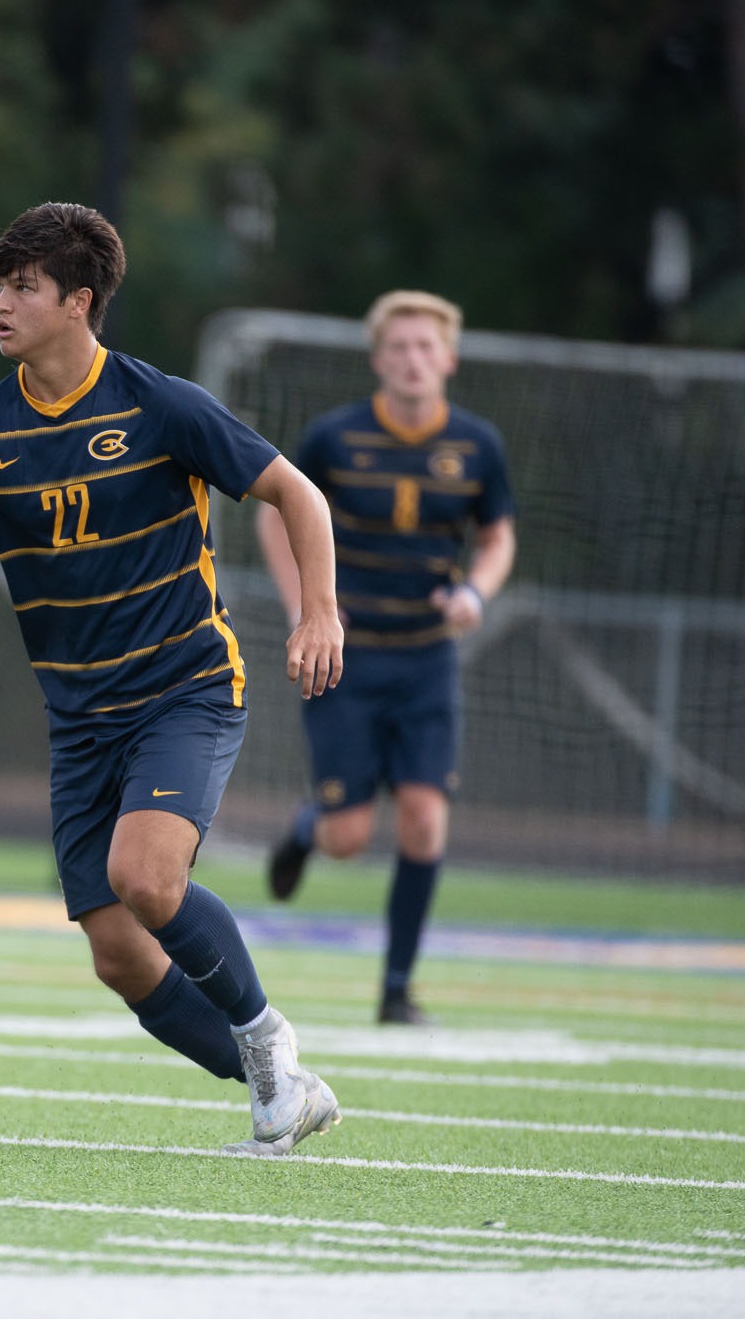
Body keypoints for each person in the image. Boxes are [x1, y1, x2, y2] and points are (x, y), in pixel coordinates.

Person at [0, 202, 345, 1156]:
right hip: (81, 720)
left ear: (79, 302)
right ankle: (278, 1084)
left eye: (23, 287)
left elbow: (298, 491)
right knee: (120, 954)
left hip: (187, 688)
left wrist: (321, 611)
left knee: (146, 876)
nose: (1, 304)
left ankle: (266, 1040)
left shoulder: (160, 403)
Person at [255, 290, 516, 1025]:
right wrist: (308, 604)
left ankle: (397, 989)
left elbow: (497, 537)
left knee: (426, 821)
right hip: (348, 656)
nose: (412, 359)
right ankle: (308, 830)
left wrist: (476, 592)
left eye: (426, 347)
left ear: (449, 358)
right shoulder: (334, 438)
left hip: (428, 660)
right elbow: (280, 515)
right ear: (378, 358)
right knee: (347, 838)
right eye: (398, 347)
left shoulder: (477, 445)